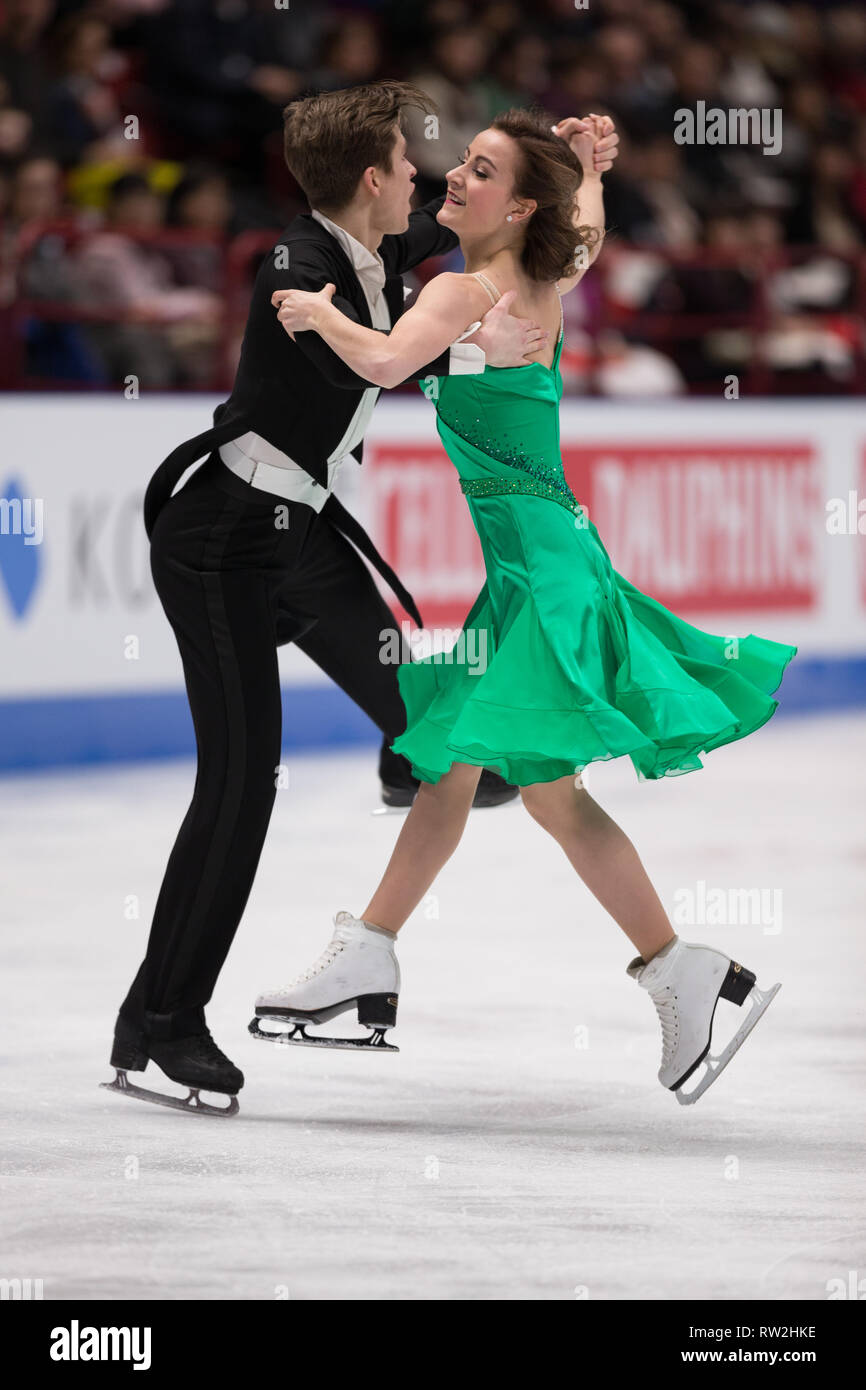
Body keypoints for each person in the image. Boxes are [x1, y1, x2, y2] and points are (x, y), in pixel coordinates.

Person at [253, 110, 796, 1105]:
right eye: (460, 162)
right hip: (539, 565)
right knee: (518, 787)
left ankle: (377, 951)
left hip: (540, 576)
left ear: (516, 204)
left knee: (467, 767)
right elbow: (581, 234)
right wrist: (586, 167)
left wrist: (323, 315)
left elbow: (379, 362)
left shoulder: (463, 288)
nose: (452, 177)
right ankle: (663, 967)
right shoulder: (533, 278)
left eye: (480, 171)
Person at [103, 81, 563, 1117]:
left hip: (300, 536)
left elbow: (502, 256)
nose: (425, 177)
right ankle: (163, 1019)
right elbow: (371, 357)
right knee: (239, 785)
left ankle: (410, 764)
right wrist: (460, 342)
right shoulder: (295, 268)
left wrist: (575, 177)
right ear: (371, 177)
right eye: (409, 164)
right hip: (222, 543)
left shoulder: (373, 255)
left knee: (433, 727)